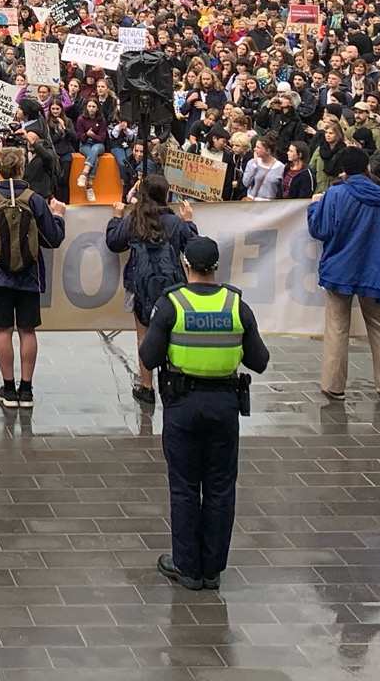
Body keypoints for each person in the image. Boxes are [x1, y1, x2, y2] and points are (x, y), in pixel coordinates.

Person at [138, 235, 272, 592]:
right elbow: (259, 361)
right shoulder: (236, 304)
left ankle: (187, 567)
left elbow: (149, 357)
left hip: (182, 407)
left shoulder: (172, 304)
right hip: (225, 407)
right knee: (220, 488)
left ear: (185, 264)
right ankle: (212, 569)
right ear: (215, 267)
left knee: (184, 487)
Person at [305, 145, 380, 403]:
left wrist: (313, 207)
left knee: (337, 326)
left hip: (339, 269)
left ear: (343, 170)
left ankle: (334, 385)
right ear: (367, 168)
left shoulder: (335, 194)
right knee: (378, 327)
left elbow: (319, 229)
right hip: (374, 271)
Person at [0, 146, 68, 410]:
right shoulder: (34, 199)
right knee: (27, 330)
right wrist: (58, 217)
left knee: (3, 330)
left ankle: (8, 388)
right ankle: (27, 388)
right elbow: (52, 238)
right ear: (22, 168)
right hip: (30, 273)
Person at [105, 173, 193, 409]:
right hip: (173, 287)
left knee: (143, 335)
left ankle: (147, 387)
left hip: (140, 285)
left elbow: (114, 242)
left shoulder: (135, 220)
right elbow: (193, 246)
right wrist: (188, 222)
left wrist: (115, 218)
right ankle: (175, 379)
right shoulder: (175, 223)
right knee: (173, 334)